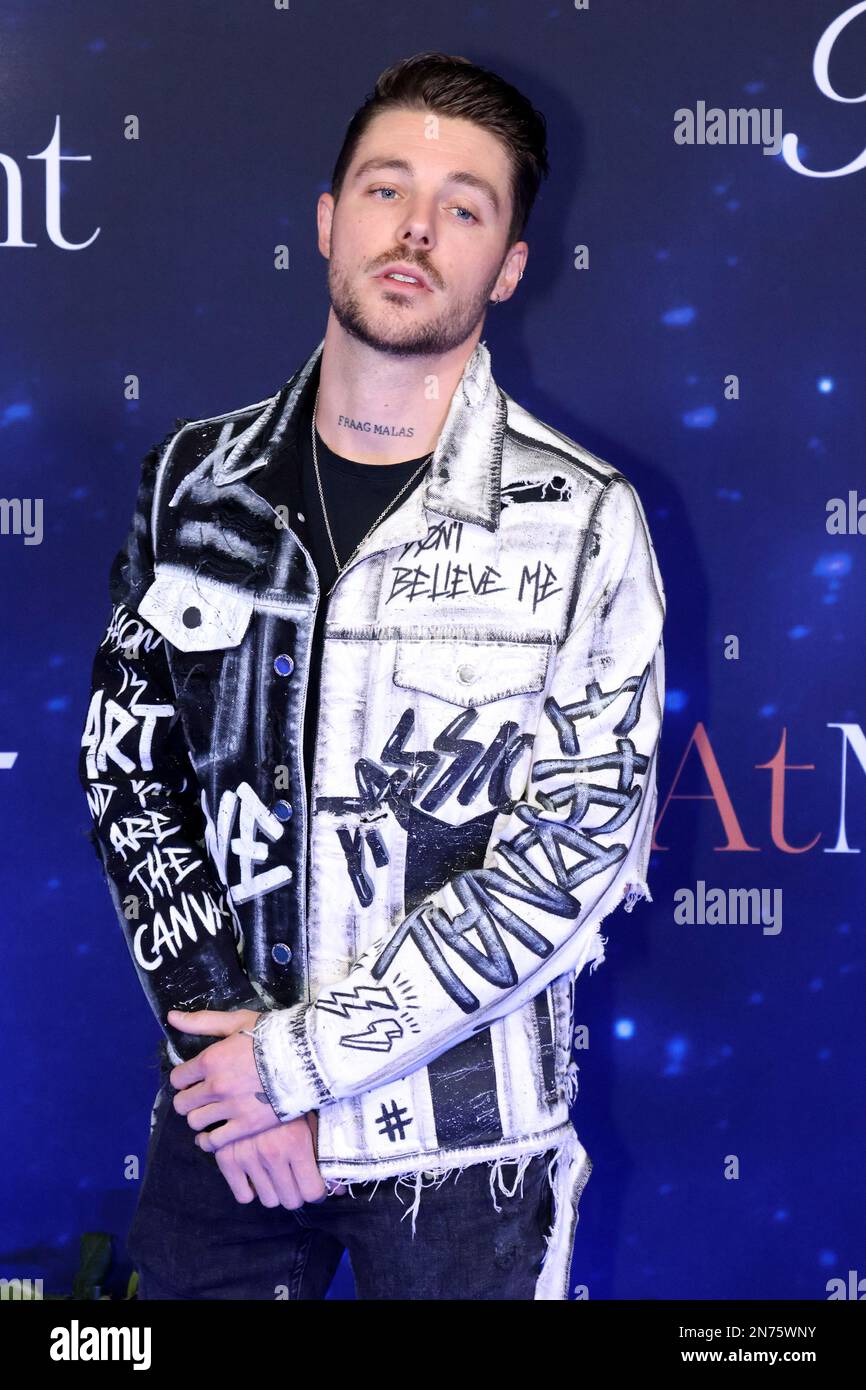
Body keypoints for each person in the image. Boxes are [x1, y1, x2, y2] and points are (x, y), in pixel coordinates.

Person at [78, 50, 666, 1301]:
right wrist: (226, 1049)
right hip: (220, 1129)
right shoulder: (196, 477)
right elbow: (128, 766)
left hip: (467, 1163)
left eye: (464, 207)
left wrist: (297, 1066)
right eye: (387, 188)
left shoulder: (579, 521)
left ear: (506, 266)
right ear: (328, 221)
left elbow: (574, 855)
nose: (416, 228)